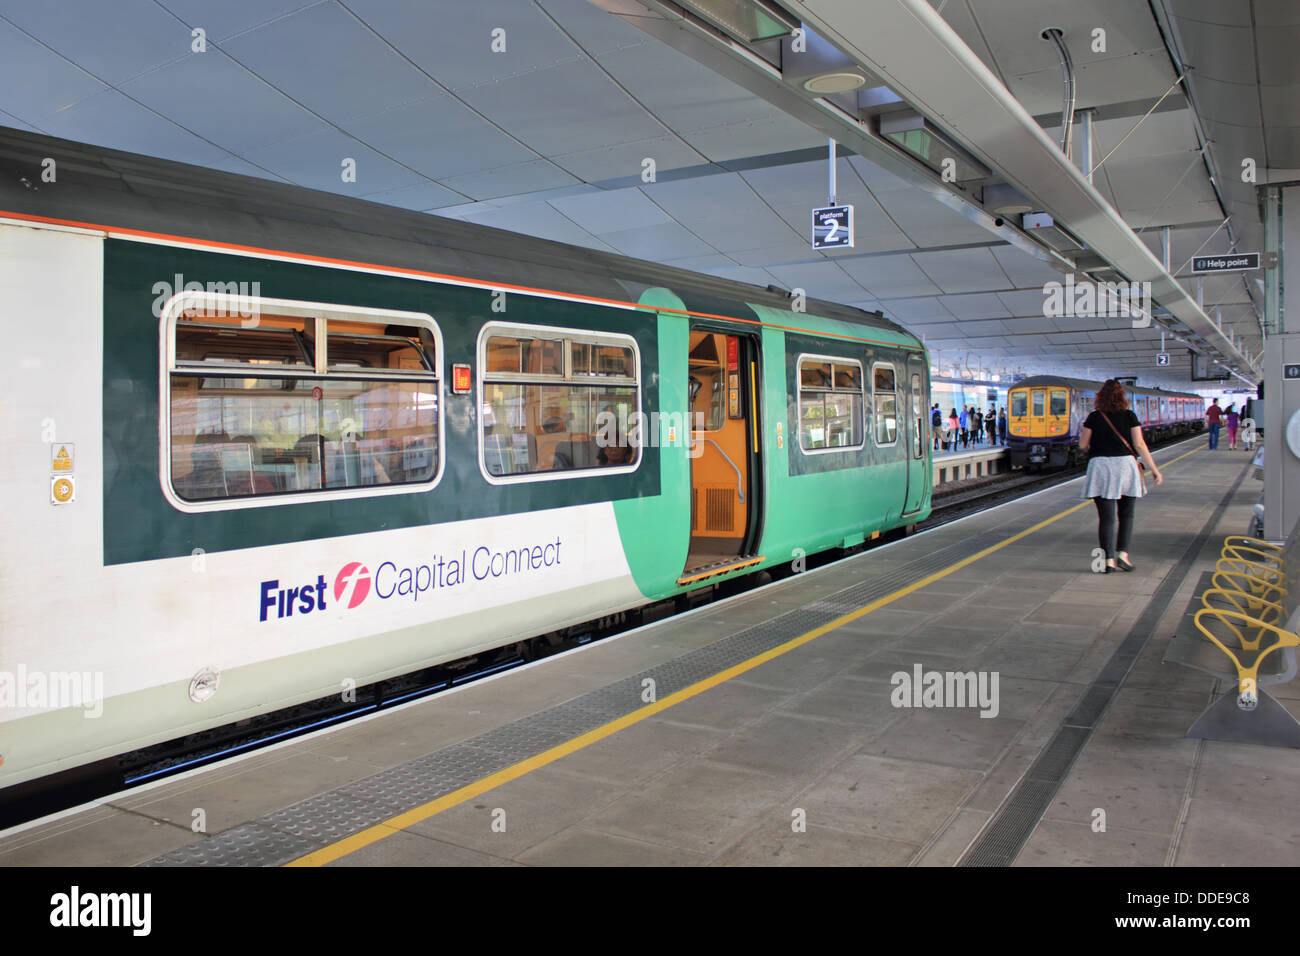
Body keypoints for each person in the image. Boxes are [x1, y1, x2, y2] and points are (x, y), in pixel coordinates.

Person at [1079, 379, 1164, 573]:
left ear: (1100, 398)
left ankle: (1107, 561)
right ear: (1122, 397)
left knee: (1106, 518)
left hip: (1100, 468)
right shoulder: (1130, 415)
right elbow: (1140, 445)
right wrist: (1155, 470)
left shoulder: (1093, 417)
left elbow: (1083, 445)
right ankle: (1123, 556)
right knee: (1127, 515)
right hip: (1126, 467)